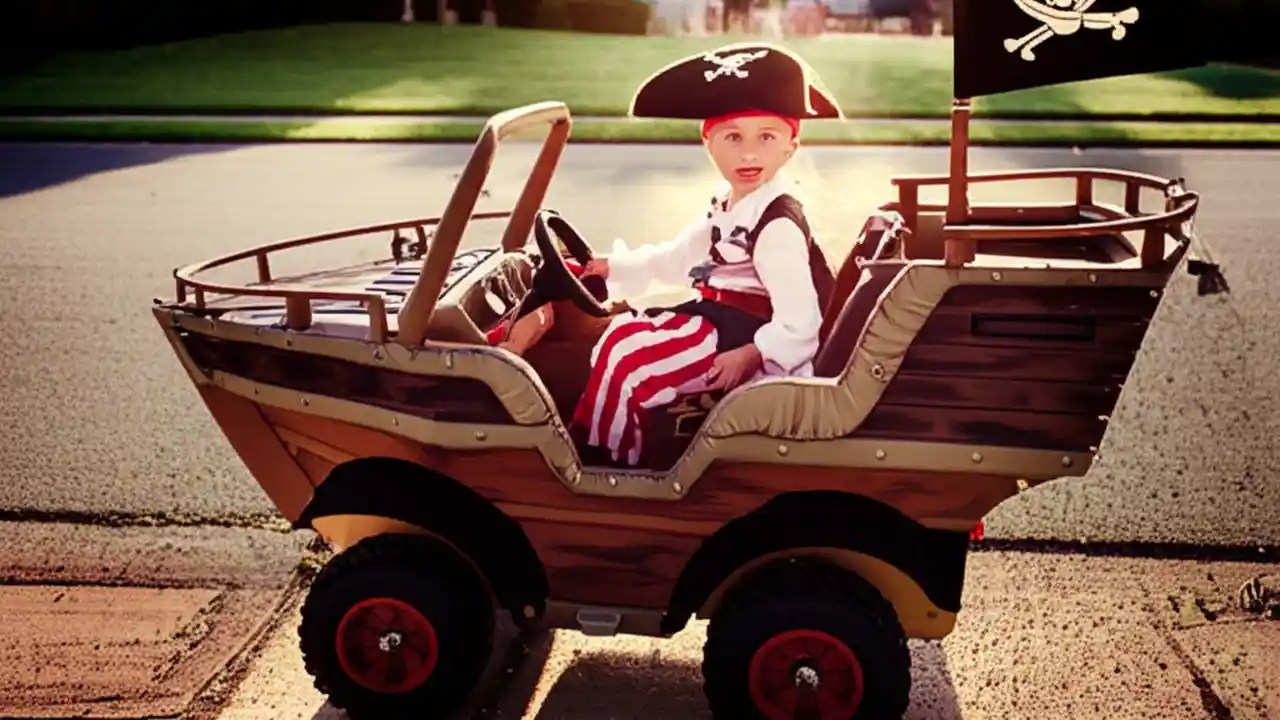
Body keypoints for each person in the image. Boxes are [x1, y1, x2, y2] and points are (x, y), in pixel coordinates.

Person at [567, 42, 844, 467]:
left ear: (790, 146)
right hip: (714, 319)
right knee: (619, 335)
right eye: (732, 137)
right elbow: (679, 259)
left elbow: (801, 321)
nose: (749, 154)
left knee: (631, 361)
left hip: (744, 337)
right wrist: (612, 266)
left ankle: (614, 463)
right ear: (708, 143)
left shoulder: (776, 224)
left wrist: (751, 354)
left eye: (766, 137)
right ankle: (596, 439)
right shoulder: (728, 207)